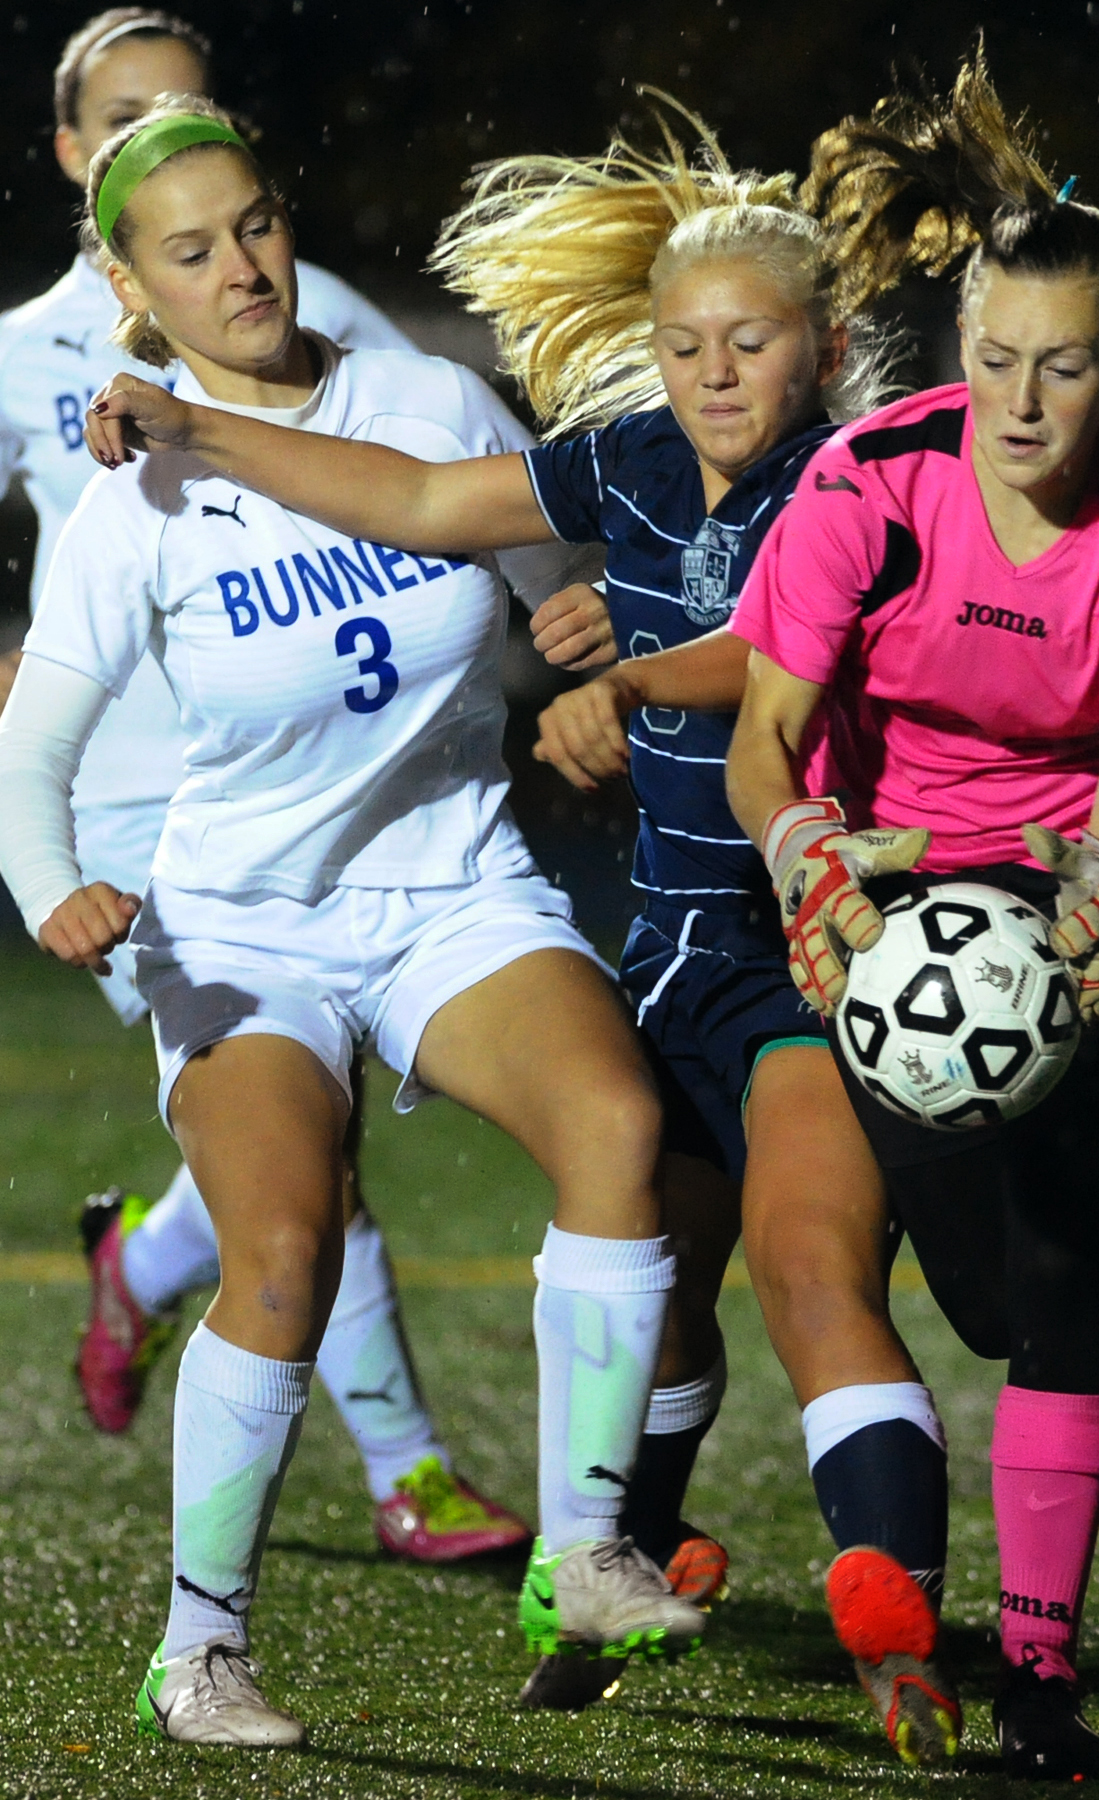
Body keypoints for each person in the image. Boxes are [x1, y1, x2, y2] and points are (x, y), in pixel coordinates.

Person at [81, 96, 963, 1764]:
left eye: (751, 341)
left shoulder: (865, 482)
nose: (712, 374)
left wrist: (623, 667)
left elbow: (784, 644)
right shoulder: (629, 462)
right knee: (664, 1267)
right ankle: (595, 1569)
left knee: (809, 1270)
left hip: (815, 949)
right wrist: (205, 435)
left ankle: (907, 1625)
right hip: (672, 950)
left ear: (824, 347)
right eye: (683, 343)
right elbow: (424, 505)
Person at [0, 96, 704, 1746]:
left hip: (454, 887)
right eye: (192, 250)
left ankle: (586, 1553)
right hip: (242, 924)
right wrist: (54, 889)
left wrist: (591, 666)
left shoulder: (430, 396)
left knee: (616, 1121)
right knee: (288, 1246)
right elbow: (30, 752)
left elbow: (549, 597)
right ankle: (201, 1651)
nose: (242, 266)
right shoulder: (138, 494)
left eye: (254, 221)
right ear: (132, 290)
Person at [721, 56, 1099, 1779]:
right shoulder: (872, 483)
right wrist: (808, 860)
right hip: (873, 908)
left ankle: (1041, 1678)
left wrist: (1096, 908)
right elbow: (766, 742)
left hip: (1047, 917)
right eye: (994, 356)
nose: (1019, 400)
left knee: (1058, 1289)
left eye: (1064, 367)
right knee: (973, 1293)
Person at [0, 6, 534, 1563]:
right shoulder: (28, 352)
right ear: (68, 157)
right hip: (122, 807)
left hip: (318, 793)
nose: (160, 124)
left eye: (188, 101)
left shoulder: (316, 311)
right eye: (121, 113)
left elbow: (428, 468)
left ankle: (148, 1269)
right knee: (312, 1158)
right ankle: (409, 1475)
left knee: (296, 1154)